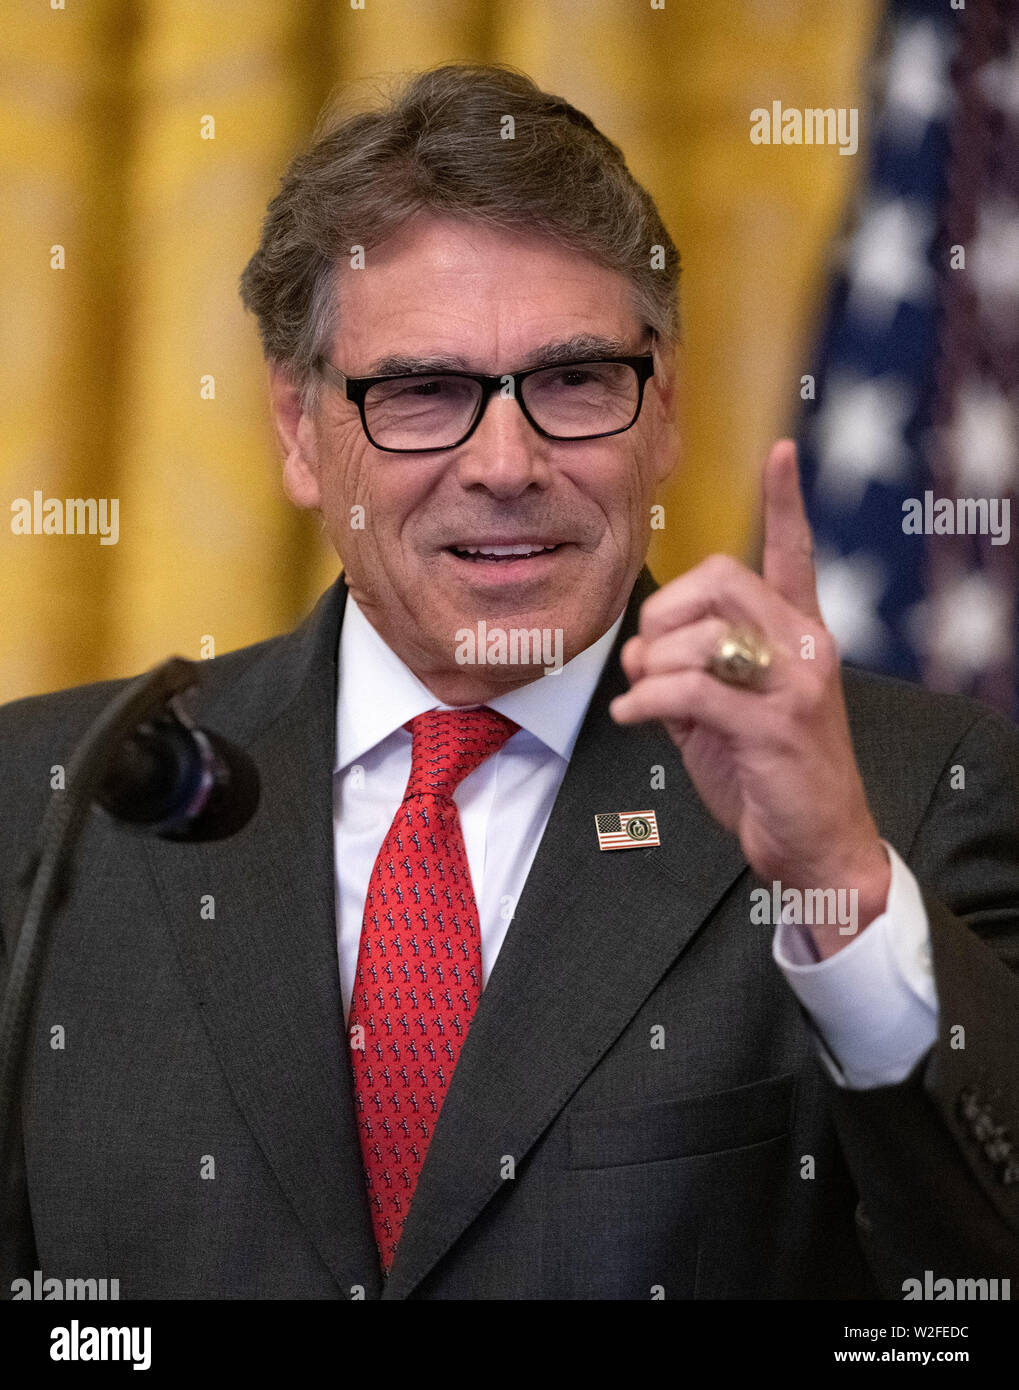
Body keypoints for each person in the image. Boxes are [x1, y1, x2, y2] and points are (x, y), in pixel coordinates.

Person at [2, 63, 1017, 1301]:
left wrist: (838, 889)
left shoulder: (908, 793)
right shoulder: (52, 797)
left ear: (665, 409)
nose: (504, 462)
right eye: (421, 392)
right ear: (293, 429)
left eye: (574, 381)